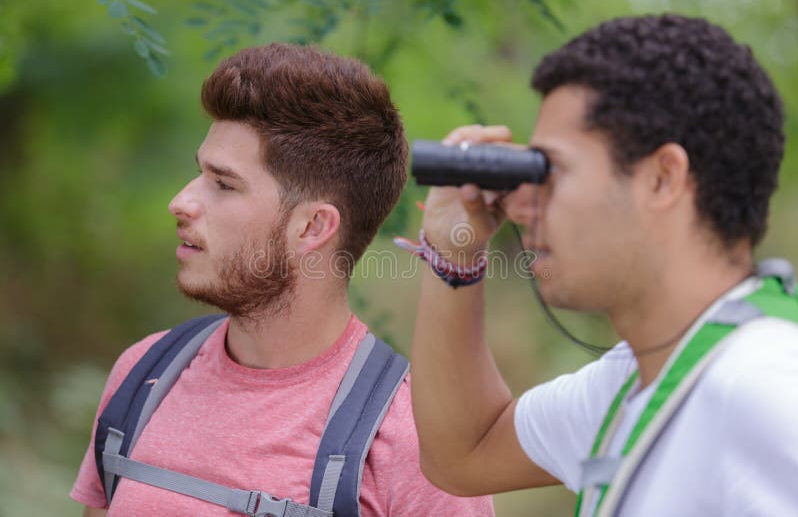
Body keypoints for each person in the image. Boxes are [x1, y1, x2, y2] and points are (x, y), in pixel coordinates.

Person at [70, 43, 493, 516]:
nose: (181, 202)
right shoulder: (144, 374)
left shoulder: (413, 440)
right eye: (198, 173)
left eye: (223, 184)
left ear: (313, 227)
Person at [408, 14, 798, 516]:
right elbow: (465, 453)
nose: (521, 206)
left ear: (662, 178)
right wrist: (453, 252)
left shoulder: (764, 388)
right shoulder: (634, 380)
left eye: (552, 171)